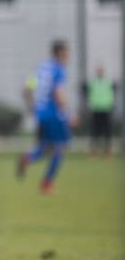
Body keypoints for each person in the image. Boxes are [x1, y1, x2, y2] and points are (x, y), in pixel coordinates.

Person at [17, 40, 75, 194]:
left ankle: (28, 158)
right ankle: (47, 183)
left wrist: (31, 106)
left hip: (40, 113)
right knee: (60, 147)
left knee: (46, 146)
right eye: (67, 52)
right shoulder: (59, 69)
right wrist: (69, 114)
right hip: (54, 114)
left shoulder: (42, 67)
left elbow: (27, 89)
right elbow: (58, 93)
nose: (69, 56)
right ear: (60, 53)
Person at [82, 65, 117, 157]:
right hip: (95, 109)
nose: (100, 73)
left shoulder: (108, 82)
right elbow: (85, 91)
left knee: (108, 132)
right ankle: (93, 151)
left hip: (106, 109)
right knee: (94, 131)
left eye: (101, 71)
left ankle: (108, 151)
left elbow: (114, 90)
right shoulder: (93, 83)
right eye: (98, 71)